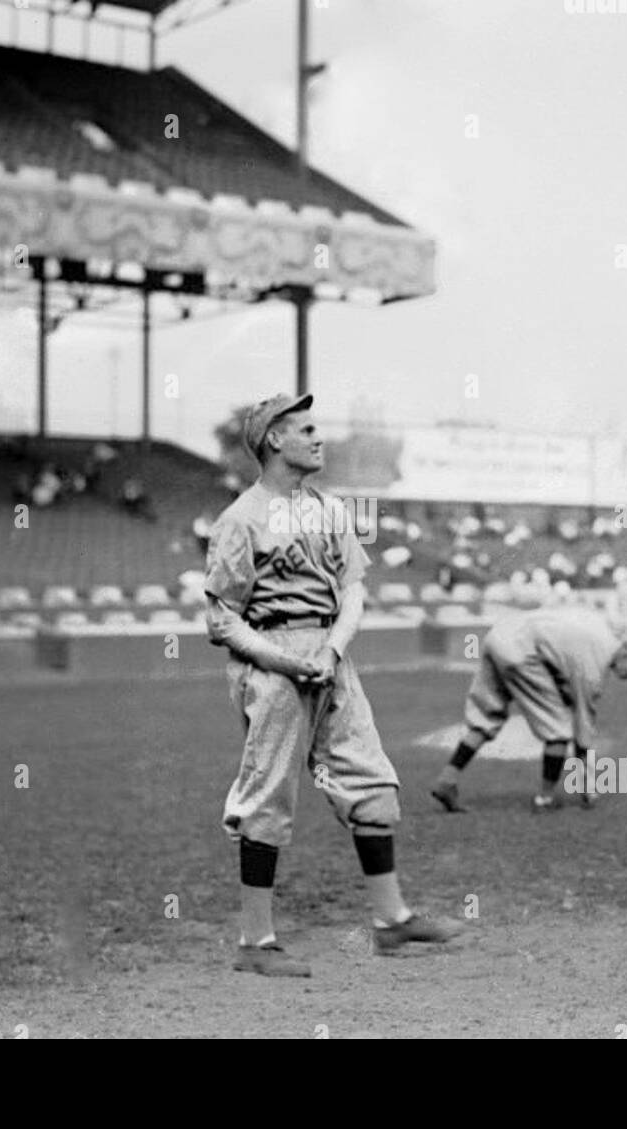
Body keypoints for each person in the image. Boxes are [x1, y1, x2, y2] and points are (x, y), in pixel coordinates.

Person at [204, 393, 462, 977]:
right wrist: (289, 663)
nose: (320, 439)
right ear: (274, 440)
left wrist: (334, 648)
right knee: (268, 795)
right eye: (308, 430)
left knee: (371, 782)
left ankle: (392, 922)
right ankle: (255, 943)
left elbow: (354, 590)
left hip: (331, 654)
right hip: (274, 660)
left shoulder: (329, 510)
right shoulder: (241, 519)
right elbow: (222, 619)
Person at [431, 606, 627, 814]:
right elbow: (583, 724)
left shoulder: (599, 629)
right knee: (559, 730)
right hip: (522, 650)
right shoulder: (595, 663)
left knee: (487, 716)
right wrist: (588, 786)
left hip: (499, 635)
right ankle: (545, 800)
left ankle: (446, 781)